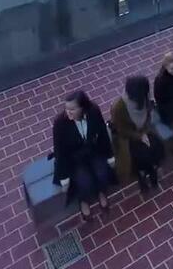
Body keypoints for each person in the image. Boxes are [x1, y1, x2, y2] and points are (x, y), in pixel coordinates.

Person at [52, 90, 115, 223]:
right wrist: (63, 177)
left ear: (82, 107)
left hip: (93, 151)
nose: (68, 112)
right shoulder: (60, 123)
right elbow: (59, 151)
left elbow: (103, 133)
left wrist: (110, 155)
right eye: (66, 108)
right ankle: (83, 201)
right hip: (74, 158)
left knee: (102, 172)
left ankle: (101, 192)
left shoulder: (93, 111)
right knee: (83, 181)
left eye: (72, 109)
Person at [110, 76, 165, 194]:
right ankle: (142, 175)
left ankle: (152, 170)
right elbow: (120, 129)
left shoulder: (144, 99)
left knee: (156, 146)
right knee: (140, 155)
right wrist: (139, 136)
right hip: (128, 136)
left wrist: (144, 132)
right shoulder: (119, 107)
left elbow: (148, 117)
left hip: (143, 130)